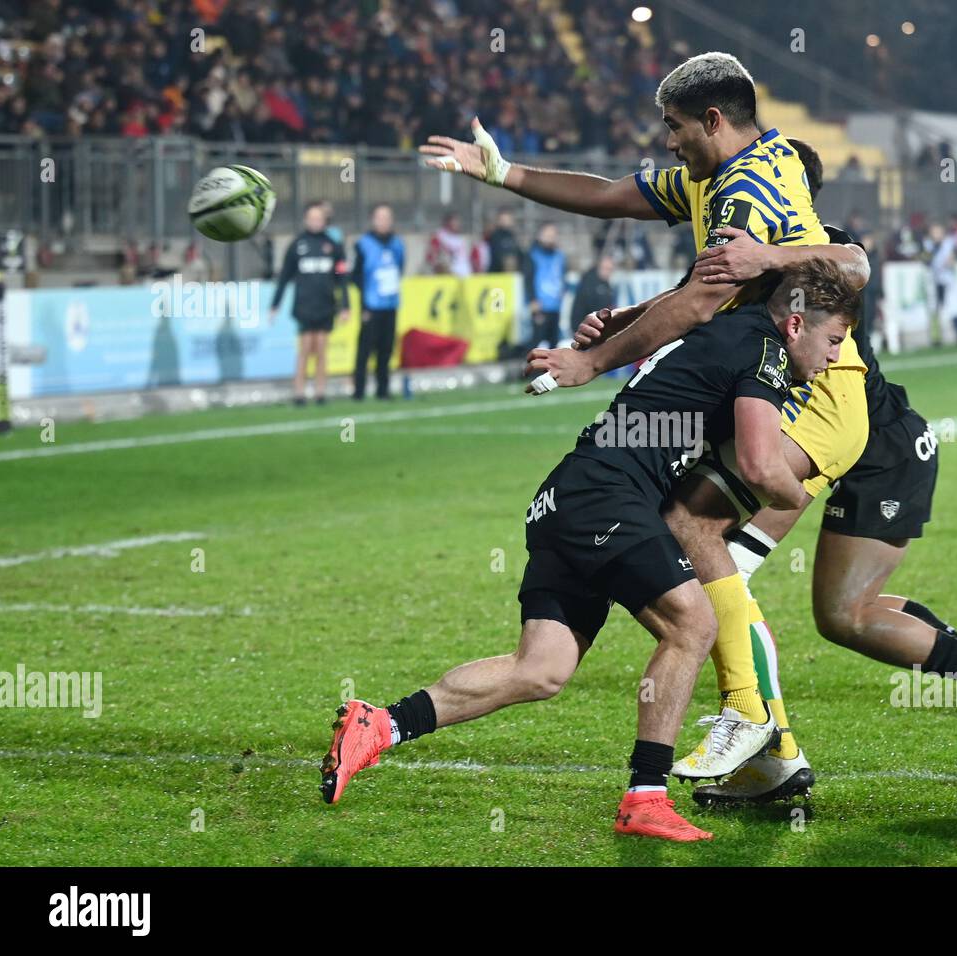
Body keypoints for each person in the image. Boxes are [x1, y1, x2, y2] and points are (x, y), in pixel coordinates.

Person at [423, 51, 871, 779]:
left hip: (811, 396)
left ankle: (753, 719)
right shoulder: (729, 171)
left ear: (714, 121)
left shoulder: (746, 193)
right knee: (691, 546)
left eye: (674, 127)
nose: (667, 142)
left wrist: (591, 364)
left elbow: (717, 297)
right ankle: (769, 755)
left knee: (691, 534)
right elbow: (610, 196)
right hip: (778, 386)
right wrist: (503, 173)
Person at [319, 262, 854, 843]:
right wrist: (810, 488)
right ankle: (645, 796)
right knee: (692, 624)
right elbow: (758, 462)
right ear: (795, 323)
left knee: (540, 669)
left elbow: (678, 317)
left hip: (565, 498)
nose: (833, 359)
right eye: (833, 342)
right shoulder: (765, 352)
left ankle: (382, 724)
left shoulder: (726, 325)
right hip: (607, 498)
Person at [673, 140, 957, 799]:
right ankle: (774, 753)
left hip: (877, 446)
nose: (738, 198)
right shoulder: (746, 249)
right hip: (819, 441)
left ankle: (772, 749)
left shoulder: (817, 255)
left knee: (817, 605)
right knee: (746, 578)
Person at [268, 201, 349, 405]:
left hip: (326, 305)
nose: (315, 222)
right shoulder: (297, 245)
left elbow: (341, 278)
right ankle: (299, 393)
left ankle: (320, 392)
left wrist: (345, 306)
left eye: (319, 218)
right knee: (305, 349)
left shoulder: (333, 247)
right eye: (311, 218)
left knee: (321, 349)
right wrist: (274, 305)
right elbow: (285, 277)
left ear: (324, 221)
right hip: (304, 305)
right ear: (306, 220)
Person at [350, 203, 405, 401]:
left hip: (390, 305)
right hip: (371, 306)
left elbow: (399, 268)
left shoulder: (398, 244)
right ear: (373, 220)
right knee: (365, 349)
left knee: (386, 348)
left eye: (387, 218)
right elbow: (355, 275)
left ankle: (383, 389)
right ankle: (359, 391)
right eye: (380, 218)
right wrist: (365, 302)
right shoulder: (363, 244)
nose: (384, 222)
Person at [524, 222, 566, 349]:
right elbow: (528, 280)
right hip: (540, 306)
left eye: (553, 235)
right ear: (540, 236)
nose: (551, 238)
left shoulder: (560, 256)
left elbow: (561, 276)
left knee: (554, 344)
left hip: (556, 306)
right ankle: (531, 368)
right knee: (536, 344)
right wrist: (532, 301)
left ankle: (552, 369)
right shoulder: (532, 255)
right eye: (547, 235)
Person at [569, 255, 616, 338]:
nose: (608, 272)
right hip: (583, 326)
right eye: (606, 268)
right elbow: (593, 306)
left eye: (610, 270)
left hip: (594, 326)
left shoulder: (605, 284)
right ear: (599, 267)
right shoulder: (589, 282)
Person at [484, 208, 521, 273]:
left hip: (511, 274)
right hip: (496, 274)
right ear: (498, 221)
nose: (506, 222)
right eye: (503, 219)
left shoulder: (513, 237)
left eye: (508, 219)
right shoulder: (494, 236)